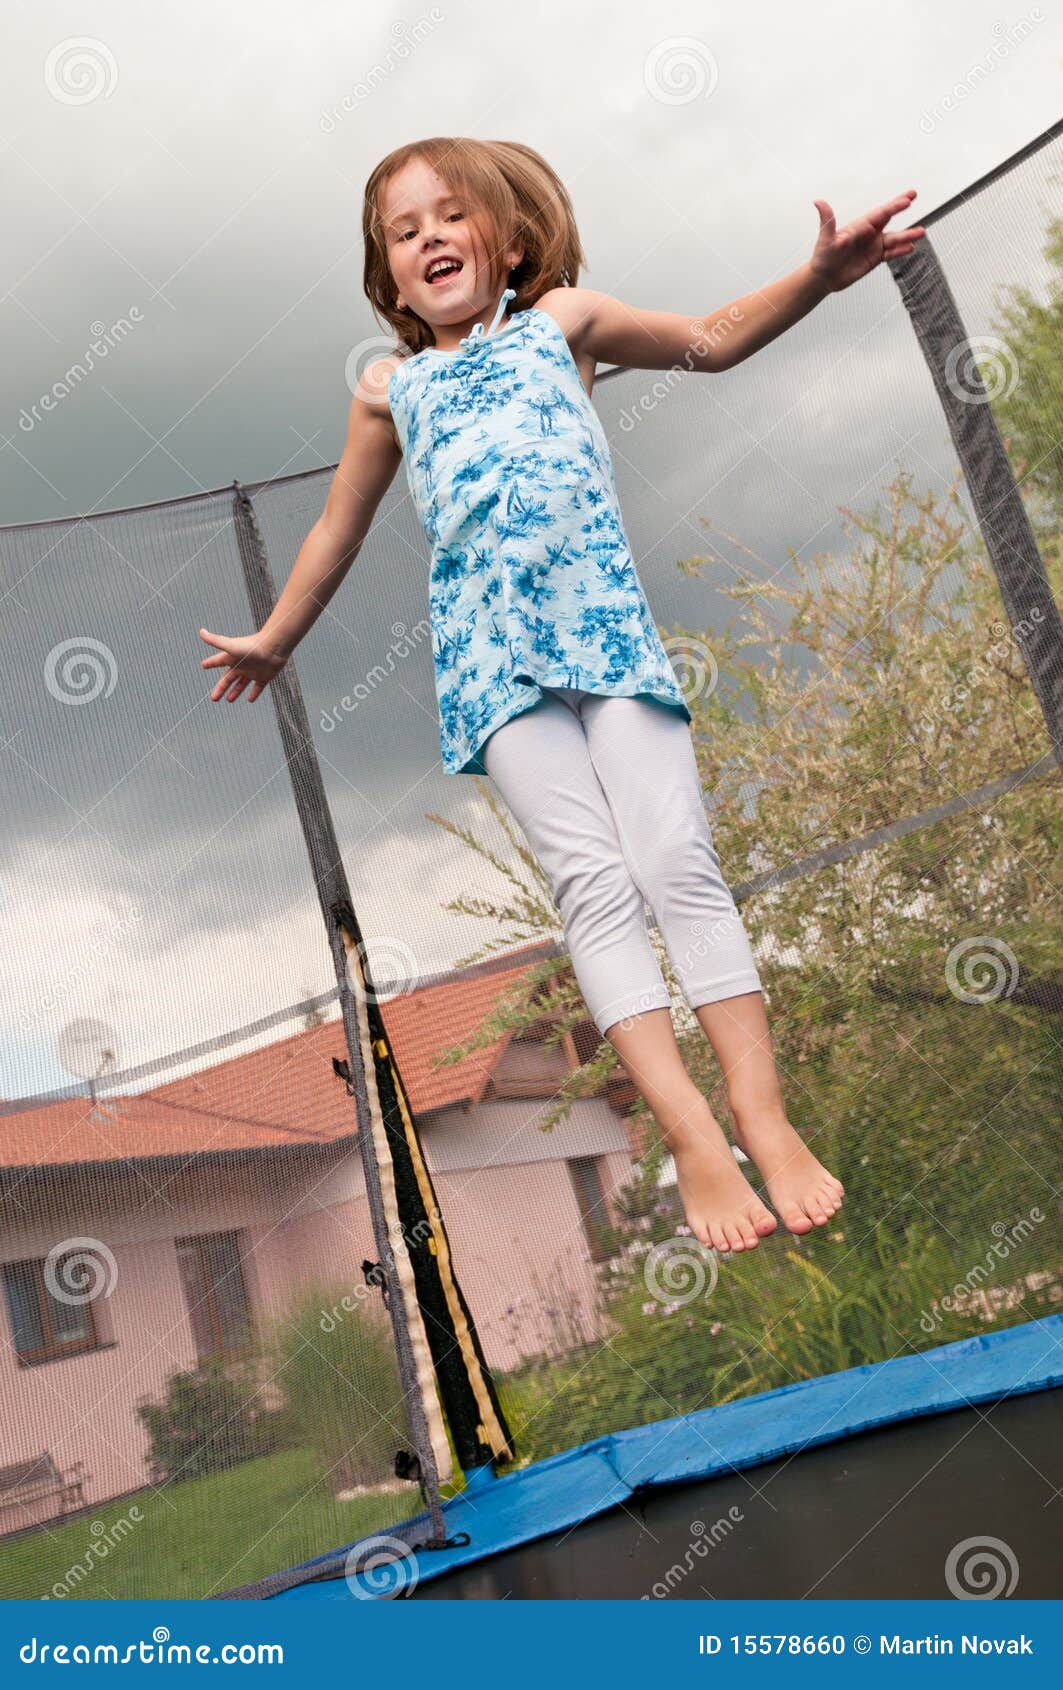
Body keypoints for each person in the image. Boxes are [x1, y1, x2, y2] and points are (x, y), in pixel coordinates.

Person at [199, 137, 925, 1255]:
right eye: (404, 232)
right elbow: (337, 528)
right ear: (389, 278)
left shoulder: (562, 324)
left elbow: (709, 341)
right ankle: (686, 1131)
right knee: (594, 885)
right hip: (492, 670)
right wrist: (275, 637)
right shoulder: (390, 388)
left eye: (451, 215)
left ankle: (760, 1113)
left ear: (509, 242)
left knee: (674, 858)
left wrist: (819, 277)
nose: (431, 238)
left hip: (606, 635)